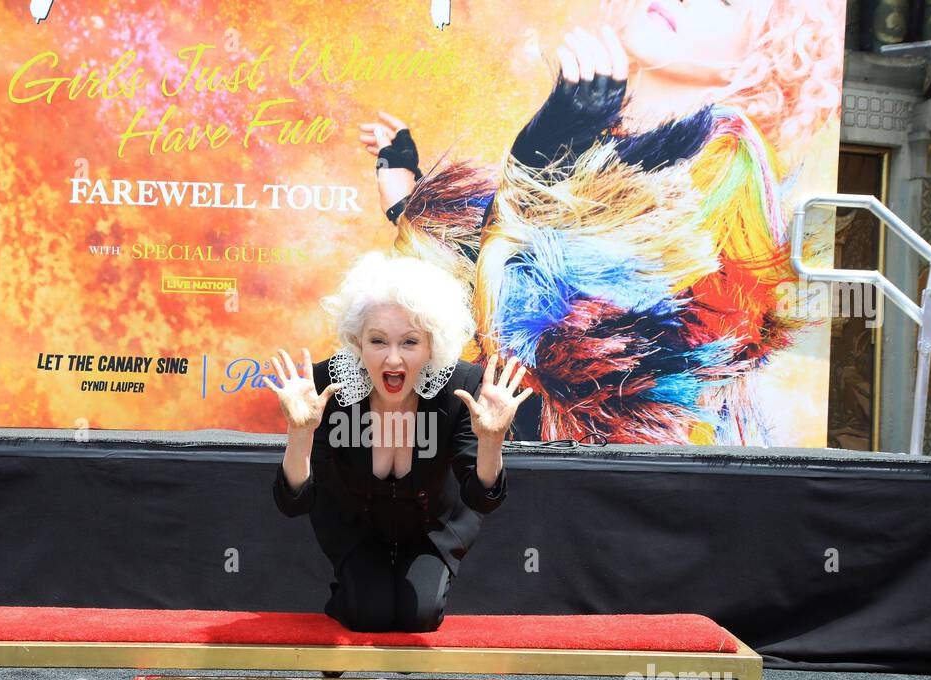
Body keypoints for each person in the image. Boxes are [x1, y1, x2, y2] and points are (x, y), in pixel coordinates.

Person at [361, 0, 843, 445]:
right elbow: (480, 285)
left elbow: (583, 340)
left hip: (616, 477)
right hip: (519, 449)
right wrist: (411, 199)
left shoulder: (729, 162)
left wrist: (539, 161)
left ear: (767, 52)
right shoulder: (604, 141)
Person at [268, 250, 533, 634]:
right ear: (358, 343)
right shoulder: (326, 387)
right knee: (368, 614)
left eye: (409, 342)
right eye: (378, 341)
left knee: (418, 617)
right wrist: (300, 433)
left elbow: (482, 498)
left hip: (432, 528)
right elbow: (294, 502)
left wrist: (491, 441)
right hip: (354, 526)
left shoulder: (462, 388)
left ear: (432, 346)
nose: (393, 359)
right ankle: (354, 593)